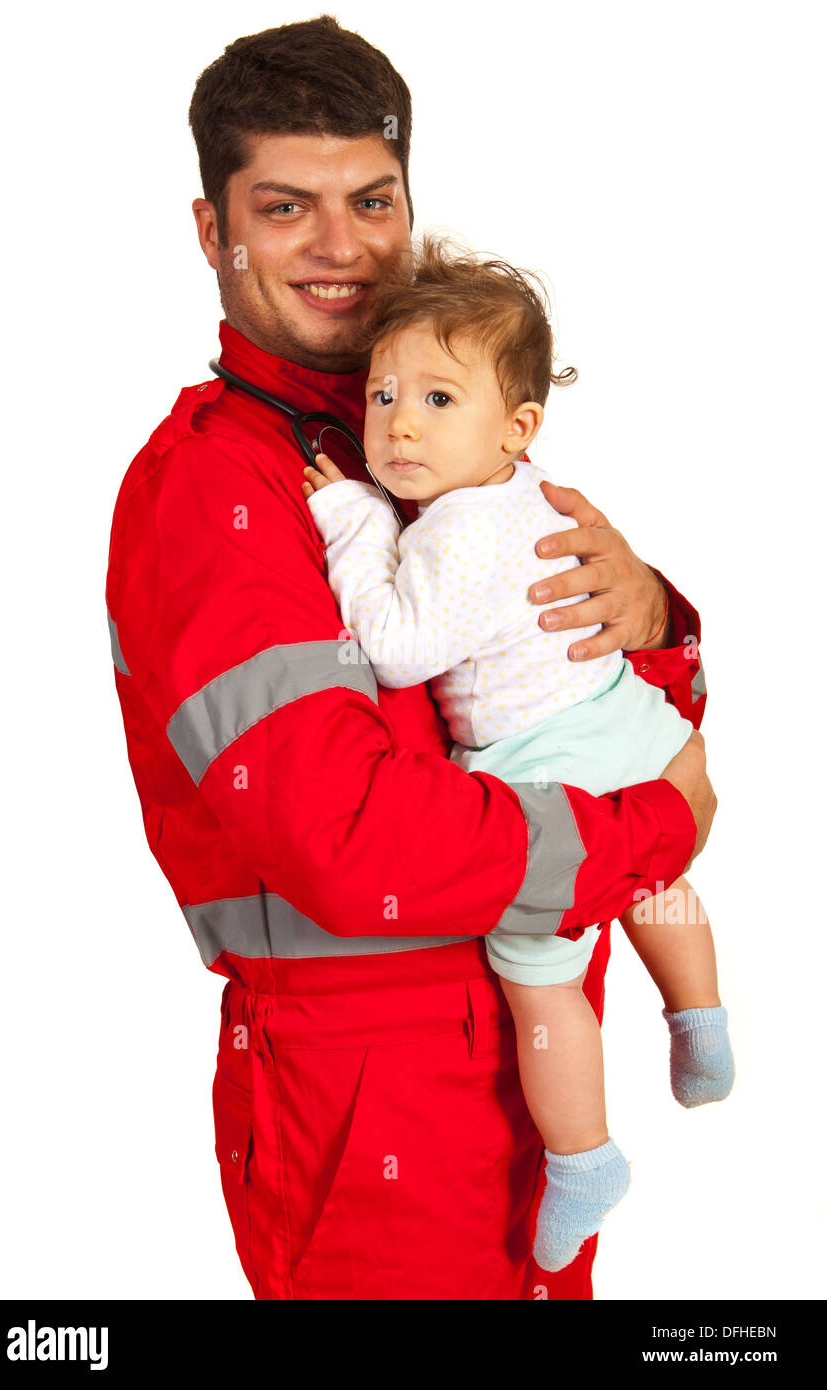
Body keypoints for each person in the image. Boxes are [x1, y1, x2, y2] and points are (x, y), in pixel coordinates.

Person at [105, 16, 716, 1300]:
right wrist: (648, 827)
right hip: (362, 1103)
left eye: (371, 200)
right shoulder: (218, 490)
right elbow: (348, 840)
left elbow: (579, 685)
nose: (340, 248)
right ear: (213, 232)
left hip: (524, 1064)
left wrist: (656, 617)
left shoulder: (450, 437)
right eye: (285, 207)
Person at [302, 234, 734, 1276]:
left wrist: (353, 519)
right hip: (620, 714)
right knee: (657, 874)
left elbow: (399, 651)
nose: (399, 423)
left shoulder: (454, 531)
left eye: (439, 401)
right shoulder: (527, 491)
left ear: (518, 425)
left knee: (537, 970)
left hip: (549, 757)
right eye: (383, 394)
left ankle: (583, 1155)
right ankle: (701, 1016)